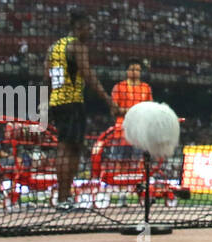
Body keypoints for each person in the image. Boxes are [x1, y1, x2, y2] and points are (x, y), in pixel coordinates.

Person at [45, 12, 121, 209]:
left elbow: (47, 79)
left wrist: (44, 104)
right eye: (88, 28)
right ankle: (63, 198)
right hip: (72, 102)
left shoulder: (54, 47)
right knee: (68, 149)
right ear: (79, 28)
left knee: (70, 148)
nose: (91, 32)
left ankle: (64, 197)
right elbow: (89, 76)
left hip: (57, 102)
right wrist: (109, 101)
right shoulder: (77, 46)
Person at [111, 61, 153, 127]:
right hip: (123, 125)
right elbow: (114, 110)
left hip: (141, 125)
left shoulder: (146, 87)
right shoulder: (118, 86)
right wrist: (135, 111)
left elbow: (150, 109)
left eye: (137, 70)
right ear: (127, 71)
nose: (135, 72)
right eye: (132, 69)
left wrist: (128, 110)